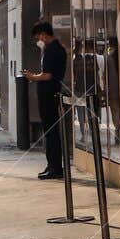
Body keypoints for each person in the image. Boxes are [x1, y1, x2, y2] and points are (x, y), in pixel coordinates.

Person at [23, 19, 68, 180]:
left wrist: (32, 77)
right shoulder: (57, 48)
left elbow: (48, 75)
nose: (39, 40)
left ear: (44, 34)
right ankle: (52, 165)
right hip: (51, 93)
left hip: (49, 95)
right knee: (50, 132)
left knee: (50, 132)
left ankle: (55, 168)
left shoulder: (52, 50)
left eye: (39, 37)